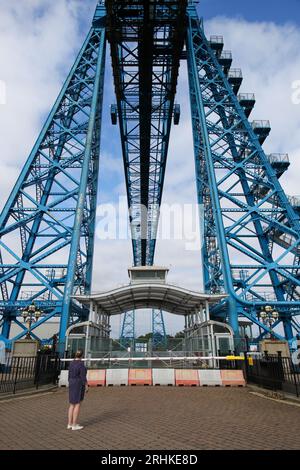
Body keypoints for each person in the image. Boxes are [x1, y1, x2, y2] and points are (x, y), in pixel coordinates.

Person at [67, 349, 88, 431]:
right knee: (77, 404)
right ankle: (74, 424)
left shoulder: (71, 363)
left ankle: (69, 423)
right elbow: (83, 376)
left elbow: (69, 375)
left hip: (71, 382)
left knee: (72, 404)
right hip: (78, 383)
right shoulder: (81, 365)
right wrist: (86, 385)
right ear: (82, 356)